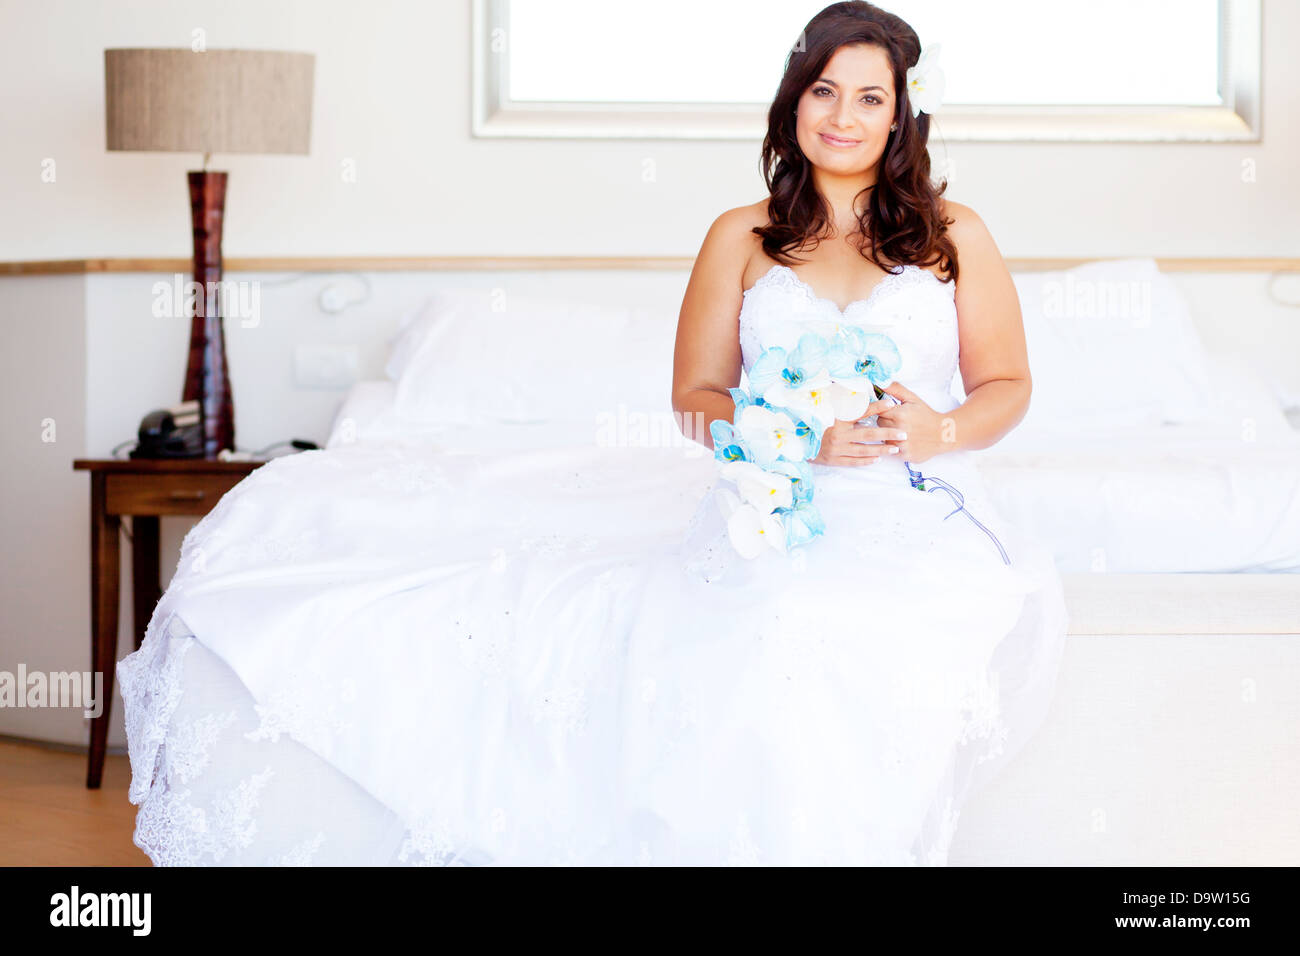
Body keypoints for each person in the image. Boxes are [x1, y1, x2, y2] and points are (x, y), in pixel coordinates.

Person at [118, 1, 1067, 866]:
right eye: (824, 90)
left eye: (871, 97)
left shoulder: (954, 234)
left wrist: (939, 429)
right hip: (778, 500)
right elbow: (696, 396)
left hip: (912, 503)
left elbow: (1008, 384)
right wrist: (796, 441)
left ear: (903, 113)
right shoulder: (741, 235)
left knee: (834, 633)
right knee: (771, 621)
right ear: (794, 101)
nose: (845, 115)